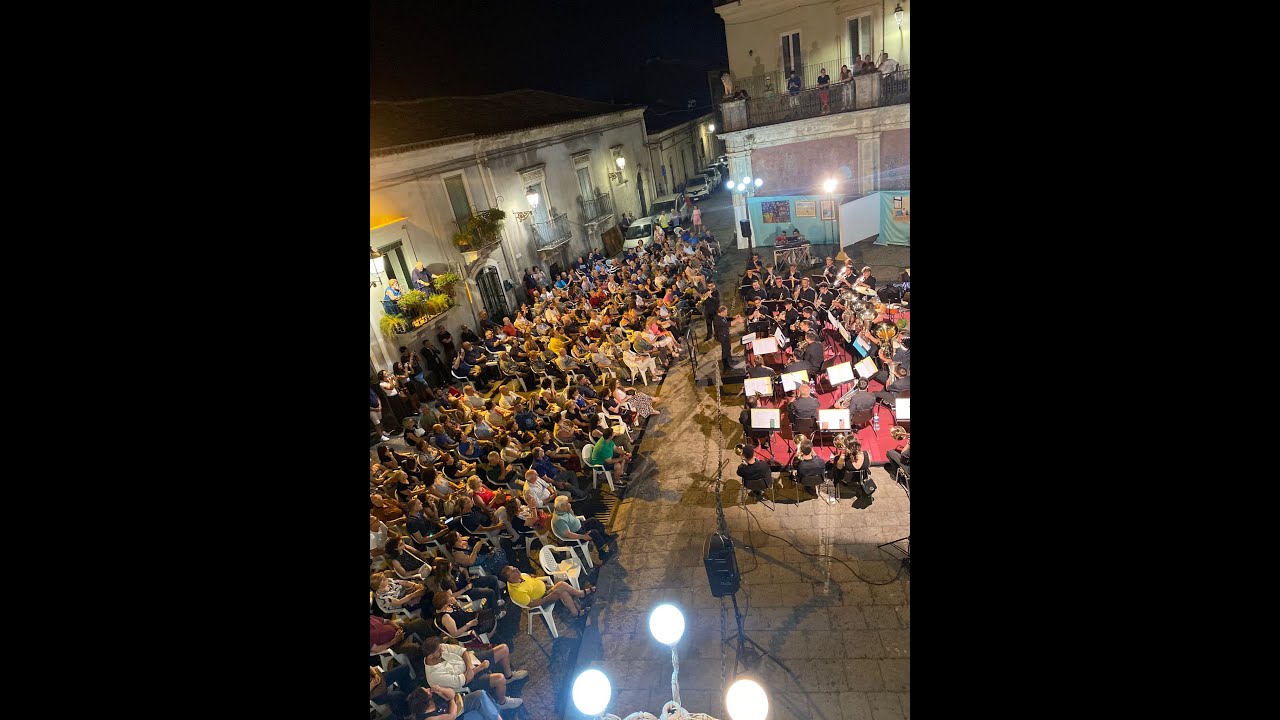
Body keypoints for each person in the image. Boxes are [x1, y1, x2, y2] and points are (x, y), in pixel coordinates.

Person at [420, 636, 525, 710]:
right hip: (467, 683)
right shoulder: (435, 675)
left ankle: (509, 676)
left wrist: (470, 666)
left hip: (470, 663)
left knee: (503, 649)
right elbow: (465, 679)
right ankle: (502, 702)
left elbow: (462, 651)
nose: (442, 650)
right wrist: (481, 667)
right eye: (438, 650)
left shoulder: (439, 648)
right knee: (499, 679)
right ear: (430, 656)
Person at [501, 565, 594, 619]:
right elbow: (531, 604)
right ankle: (580, 594)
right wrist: (548, 598)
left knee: (563, 592)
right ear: (510, 578)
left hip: (545, 589)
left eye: (514, 567)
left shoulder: (521, 575)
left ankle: (575, 613)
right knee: (562, 585)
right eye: (513, 571)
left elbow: (531, 578)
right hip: (542, 600)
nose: (516, 569)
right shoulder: (517, 592)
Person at [550, 494, 617, 560]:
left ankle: (605, 538)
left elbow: (573, 516)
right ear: (562, 506)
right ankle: (603, 553)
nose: (569, 504)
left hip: (580, 526)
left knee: (593, 520)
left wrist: (569, 509)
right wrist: (583, 537)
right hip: (576, 535)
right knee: (594, 533)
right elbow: (568, 534)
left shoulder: (562, 510)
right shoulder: (559, 520)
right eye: (567, 503)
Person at [714, 305, 735, 371]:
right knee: (725, 351)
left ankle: (730, 360)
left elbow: (727, 319)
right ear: (721, 312)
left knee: (728, 348)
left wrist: (733, 318)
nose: (726, 313)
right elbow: (727, 324)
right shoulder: (718, 319)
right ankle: (726, 366)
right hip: (722, 337)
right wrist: (737, 321)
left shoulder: (721, 317)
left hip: (725, 335)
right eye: (725, 312)